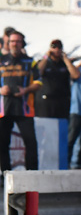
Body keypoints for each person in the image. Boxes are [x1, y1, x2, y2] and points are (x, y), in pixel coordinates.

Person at [0, 31, 40, 172]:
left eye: (17, 42)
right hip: (4, 109)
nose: (14, 44)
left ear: (22, 43)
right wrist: (1, 90)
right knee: (2, 144)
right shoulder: (1, 60)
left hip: (24, 109)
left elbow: (38, 82)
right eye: (12, 41)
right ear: (8, 43)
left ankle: (32, 174)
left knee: (31, 143)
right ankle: (5, 175)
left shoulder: (30, 61)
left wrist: (26, 90)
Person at [35, 39, 73, 119]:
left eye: (59, 48)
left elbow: (75, 75)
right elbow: (38, 72)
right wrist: (46, 57)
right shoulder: (44, 62)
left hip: (62, 100)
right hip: (47, 100)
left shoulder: (65, 63)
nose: (56, 50)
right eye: (54, 47)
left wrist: (66, 60)